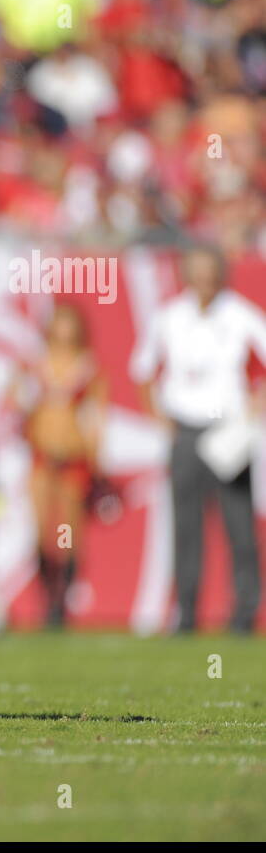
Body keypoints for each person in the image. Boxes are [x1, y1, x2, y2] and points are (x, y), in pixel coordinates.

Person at [130, 244, 266, 633]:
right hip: (186, 431)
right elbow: (143, 370)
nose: (206, 280)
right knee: (185, 526)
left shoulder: (241, 316)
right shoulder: (169, 318)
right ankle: (186, 612)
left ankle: (244, 613)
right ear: (187, 274)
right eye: (198, 271)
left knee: (239, 525)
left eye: (212, 271)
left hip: (228, 432)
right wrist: (160, 419)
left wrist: (254, 410)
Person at [12, 303, 107, 628]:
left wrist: (96, 460)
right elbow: (14, 398)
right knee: (41, 529)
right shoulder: (35, 365)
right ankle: (45, 594)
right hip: (42, 456)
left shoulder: (88, 367)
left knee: (68, 532)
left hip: (73, 458)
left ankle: (61, 603)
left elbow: (96, 417)